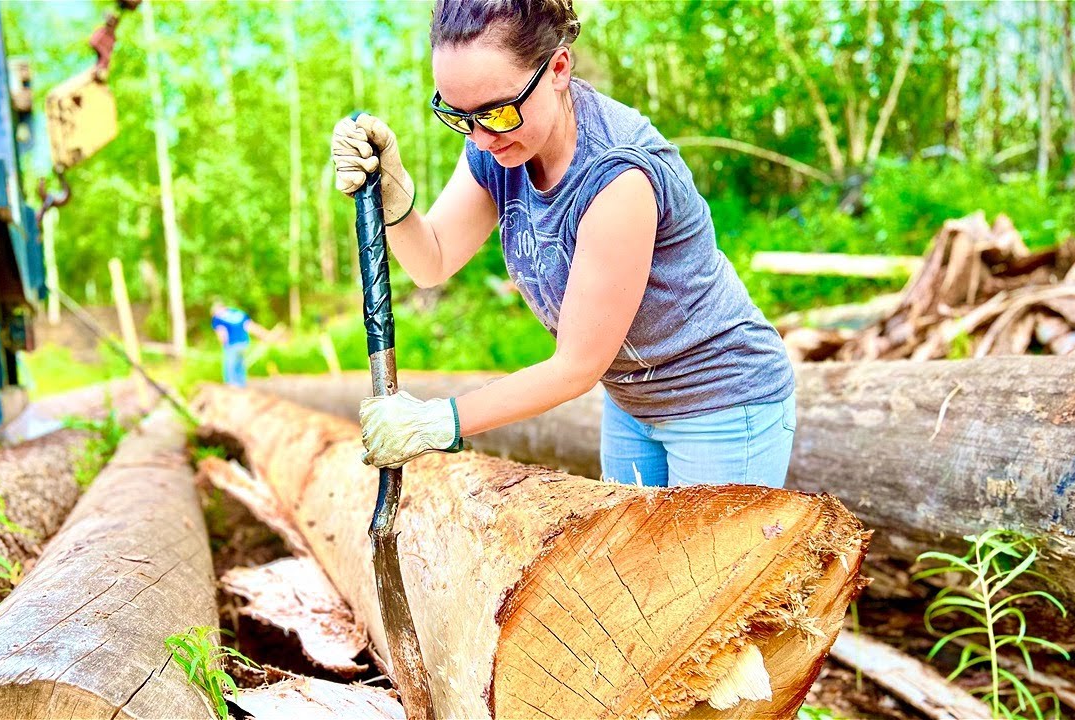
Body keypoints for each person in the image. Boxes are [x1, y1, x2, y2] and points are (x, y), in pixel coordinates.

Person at [330, 0, 796, 488]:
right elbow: (433, 261)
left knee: (712, 567)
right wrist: (394, 194)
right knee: (631, 561)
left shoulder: (616, 177)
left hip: (721, 399)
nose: (482, 137)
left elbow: (575, 367)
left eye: (497, 112)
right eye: (461, 115)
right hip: (633, 402)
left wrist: (436, 422)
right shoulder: (498, 147)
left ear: (557, 68)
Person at [210, 300, 262, 388]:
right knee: (240, 363)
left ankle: (232, 384)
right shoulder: (239, 314)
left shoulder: (218, 318)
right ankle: (241, 384)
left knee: (230, 364)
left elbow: (222, 333)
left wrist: (223, 344)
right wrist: (264, 335)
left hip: (231, 343)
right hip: (244, 343)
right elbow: (250, 326)